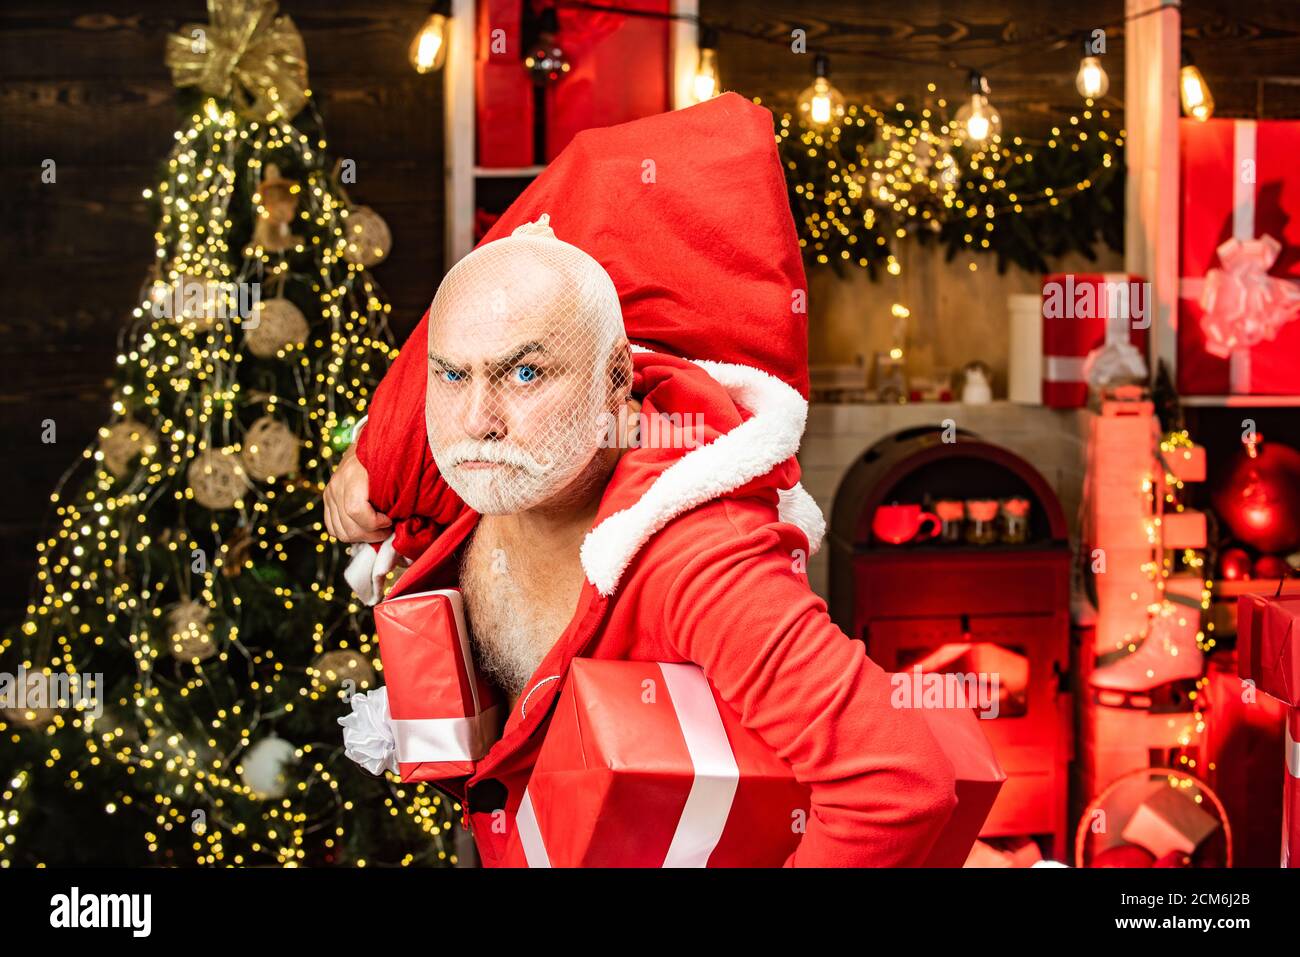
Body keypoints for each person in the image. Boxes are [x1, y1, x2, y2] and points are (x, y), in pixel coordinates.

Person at [326, 93, 958, 867]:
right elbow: (390, 454)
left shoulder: (697, 560)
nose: (480, 417)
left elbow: (897, 782)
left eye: (526, 371)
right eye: (454, 375)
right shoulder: (470, 468)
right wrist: (364, 460)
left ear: (616, 379)